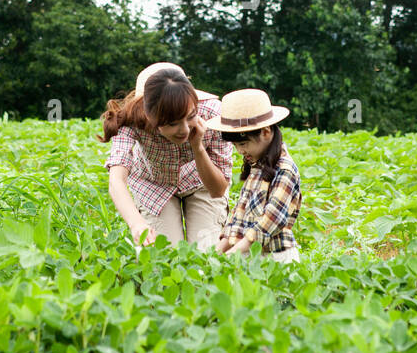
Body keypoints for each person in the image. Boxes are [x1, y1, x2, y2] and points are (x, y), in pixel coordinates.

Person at [98, 63, 233, 249]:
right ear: (148, 115)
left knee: (208, 254)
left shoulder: (214, 114)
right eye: (172, 123)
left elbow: (217, 190)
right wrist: (136, 223)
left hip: (200, 183)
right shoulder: (129, 121)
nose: (184, 130)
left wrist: (198, 148)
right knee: (164, 256)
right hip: (153, 185)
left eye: (190, 116)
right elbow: (116, 181)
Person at [207, 88, 301, 263]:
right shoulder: (256, 165)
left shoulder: (285, 169)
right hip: (249, 255)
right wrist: (217, 252)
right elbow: (239, 215)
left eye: (243, 143)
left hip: (276, 257)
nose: (240, 151)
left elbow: (272, 220)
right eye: (236, 145)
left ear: (265, 132)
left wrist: (233, 252)